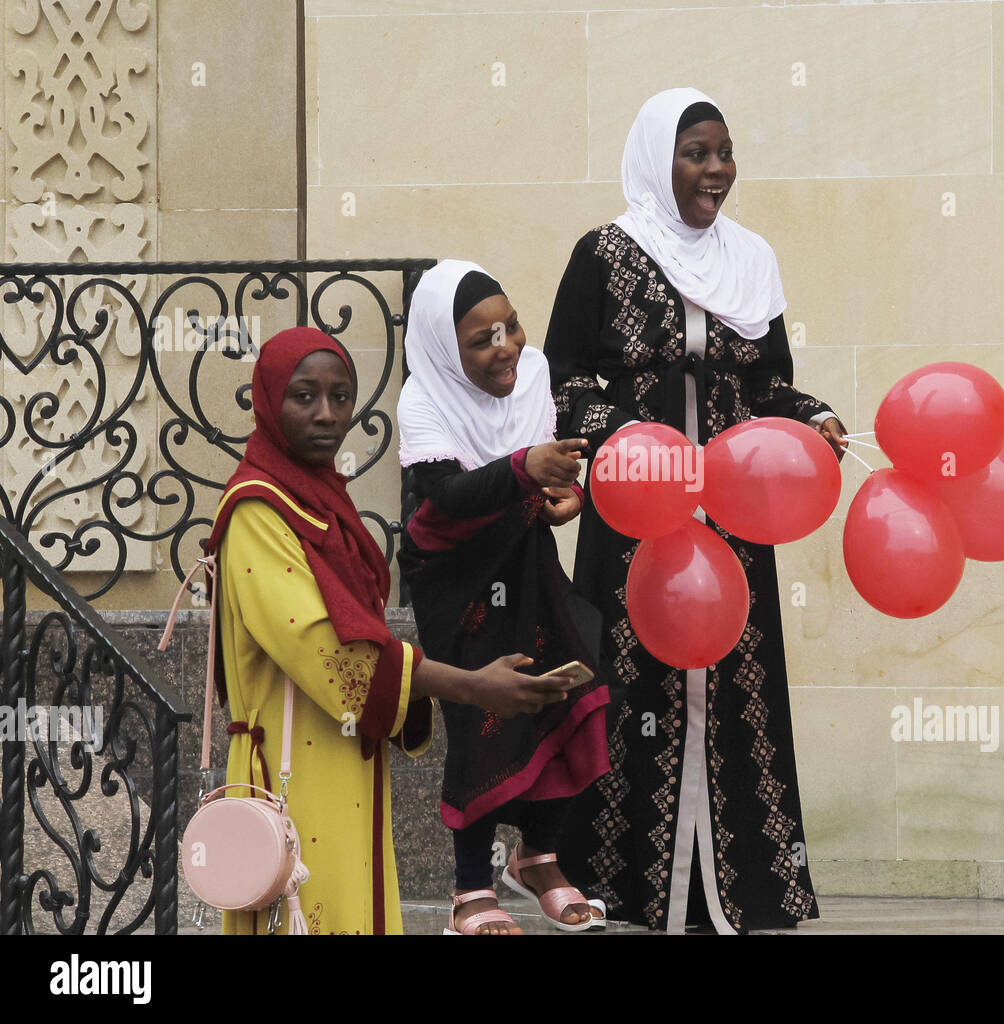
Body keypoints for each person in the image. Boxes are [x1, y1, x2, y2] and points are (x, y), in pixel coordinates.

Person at [543, 88, 847, 933]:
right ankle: (619, 887)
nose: (716, 170)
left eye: (724, 153)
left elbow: (767, 384)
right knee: (631, 681)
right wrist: (633, 444)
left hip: (737, 521)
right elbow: (563, 382)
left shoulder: (750, 260)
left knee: (737, 690)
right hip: (635, 518)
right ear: (656, 160)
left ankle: (741, 892)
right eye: (696, 153)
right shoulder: (604, 254)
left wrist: (810, 415)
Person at [208, 325, 571, 935]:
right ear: (268, 401)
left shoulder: (320, 498)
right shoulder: (256, 511)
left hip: (346, 753)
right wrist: (471, 687)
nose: (327, 414)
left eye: (342, 396)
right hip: (289, 764)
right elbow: (327, 650)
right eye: (304, 396)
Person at [397, 261, 611, 935]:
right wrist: (525, 469)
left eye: (510, 326)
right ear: (445, 350)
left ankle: (538, 857)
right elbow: (451, 496)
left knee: (574, 689)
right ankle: (469, 890)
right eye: (482, 339)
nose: (506, 347)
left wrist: (566, 497)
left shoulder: (537, 372)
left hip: (525, 550)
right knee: (485, 710)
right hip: (455, 572)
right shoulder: (422, 400)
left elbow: (548, 475)